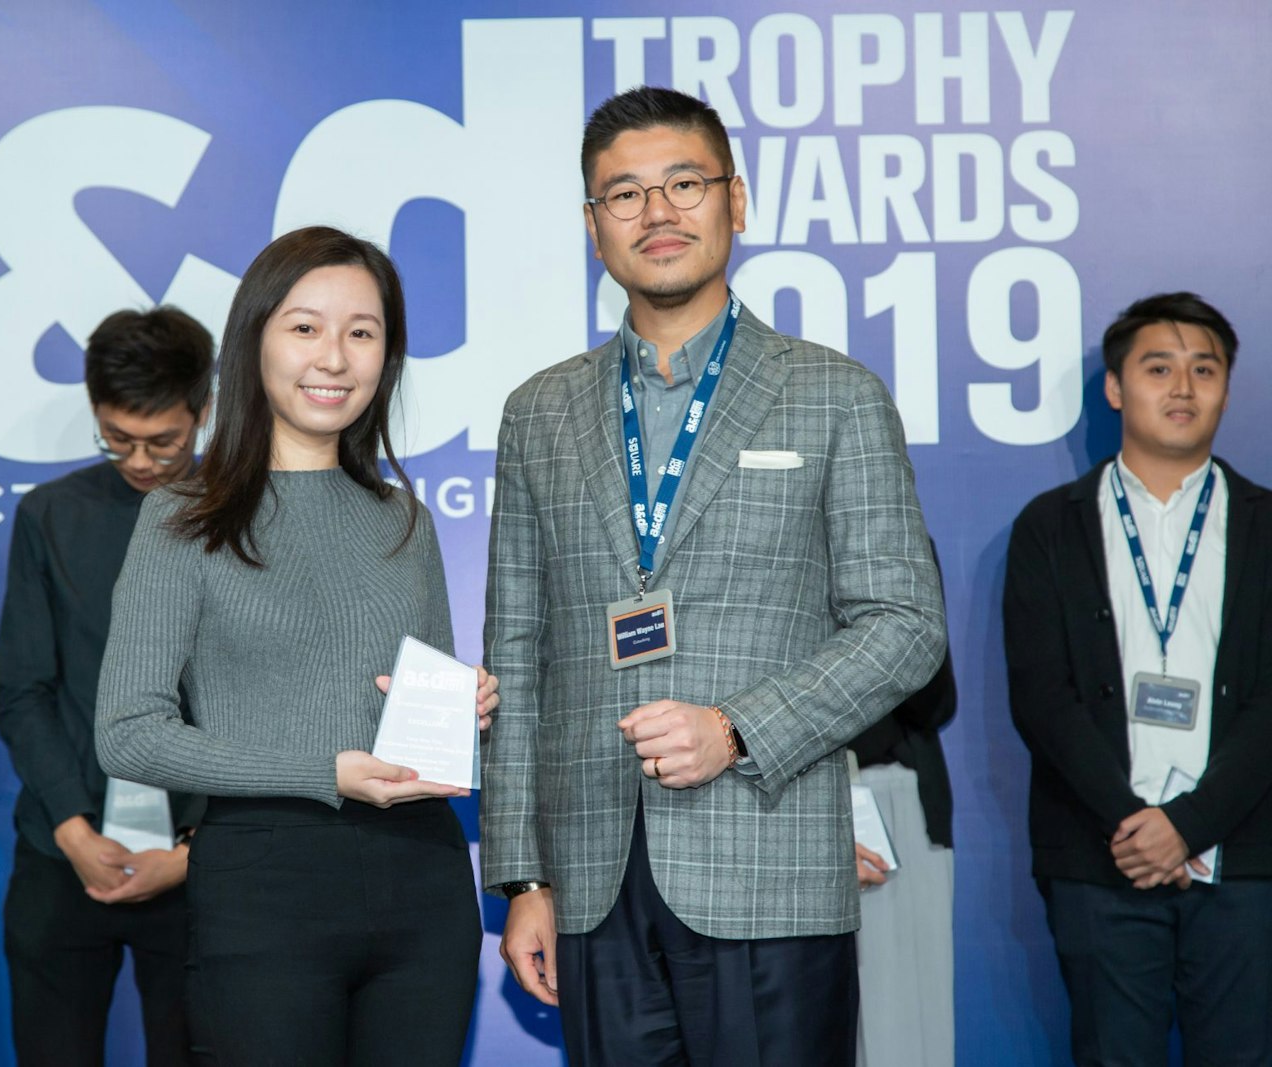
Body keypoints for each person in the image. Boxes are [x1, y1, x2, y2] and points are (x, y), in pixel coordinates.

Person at [481, 86, 947, 1066]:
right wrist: (524, 876)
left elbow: (902, 620)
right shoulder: (539, 412)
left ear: (734, 199)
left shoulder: (833, 394)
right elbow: (517, 648)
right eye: (624, 194)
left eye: (682, 183)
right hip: (595, 876)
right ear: (591, 224)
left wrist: (738, 726)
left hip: (768, 856)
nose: (657, 213)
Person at [94, 225, 499, 1066]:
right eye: (306, 326)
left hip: (423, 885)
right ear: (255, 341)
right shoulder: (182, 514)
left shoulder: (402, 518)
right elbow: (126, 729)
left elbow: (424, 736)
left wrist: (465, 714)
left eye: (363, 332)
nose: (335, 357)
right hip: (264, 886)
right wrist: (325, 770)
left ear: (387, 358)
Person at [1005, 292, 1272, 1066]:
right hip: (1100, 855)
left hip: (1244, 857)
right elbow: (1041, 698)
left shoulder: (1263, 525)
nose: (1183, 388)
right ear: (1117, 387)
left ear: (1227, 385)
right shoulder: (1048, 526)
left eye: (1204, 369)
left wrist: (1190, 823)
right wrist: (1136, 823)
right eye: (1159, 368)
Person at [0, 306, 215, 1066]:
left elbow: (269, 700)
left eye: (164, 440)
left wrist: (194, 849)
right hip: (65, 856)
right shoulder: (51, 516)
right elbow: (23, 688)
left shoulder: (246, 511)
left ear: (204, 409)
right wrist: (73, 829)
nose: (143, 461)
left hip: (204, 864)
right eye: (117, 439)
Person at [848, 551, 958, 1067]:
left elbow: (935, 701)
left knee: (906, 1040)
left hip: (889, 794)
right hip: (758, 804)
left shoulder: (894, 531)